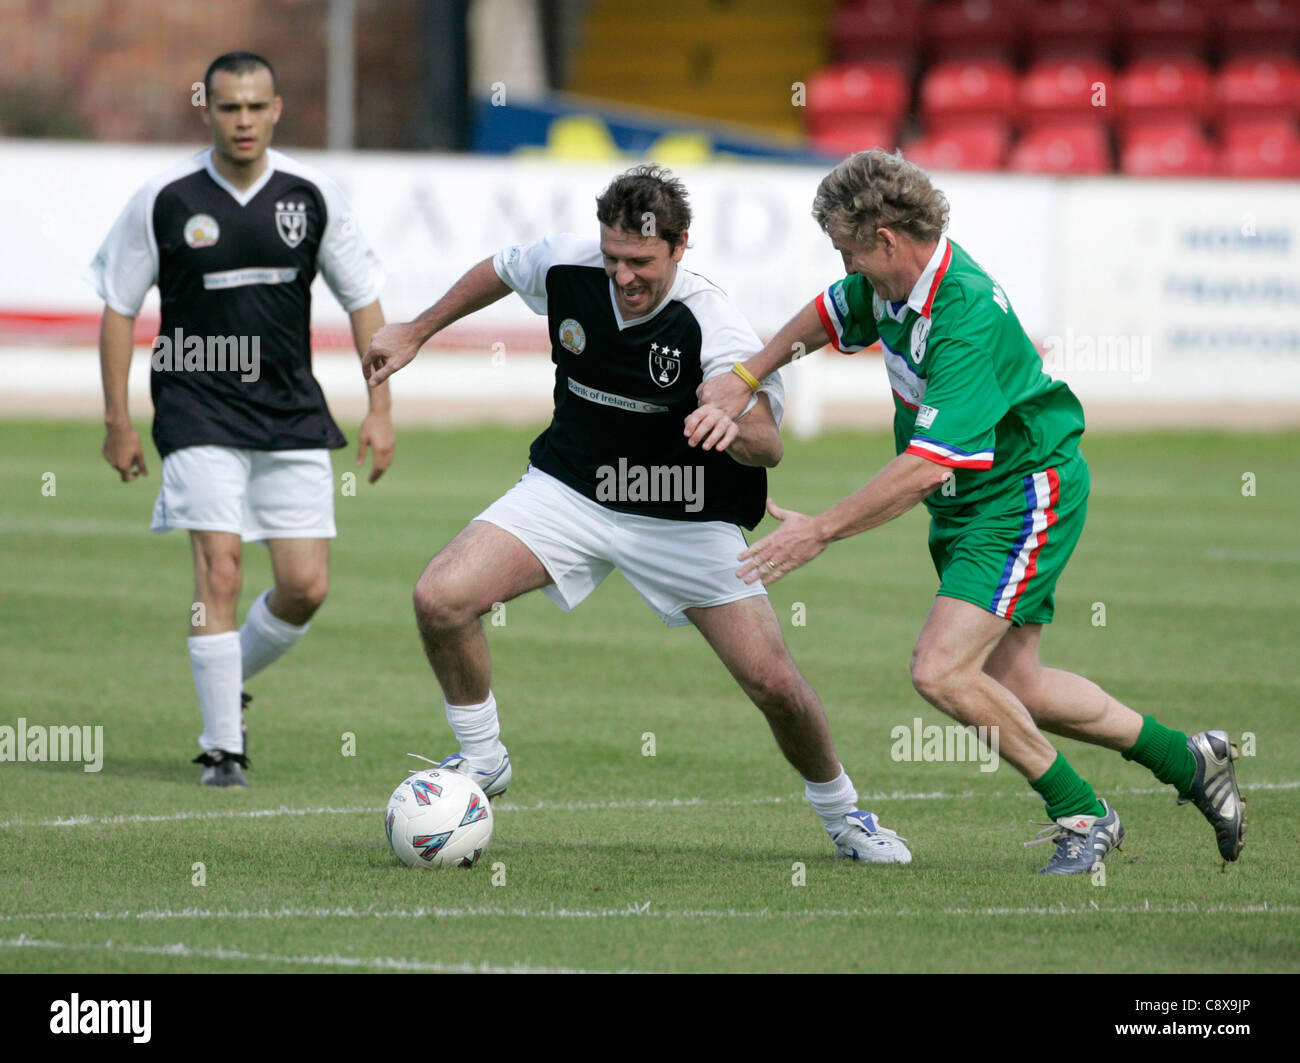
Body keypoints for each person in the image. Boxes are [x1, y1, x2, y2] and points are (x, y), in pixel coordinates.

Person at [698, 149, 1246, 874]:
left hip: (1021, 495)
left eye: (849, 250)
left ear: (887, 240)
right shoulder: (891, 285)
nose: (846, 266)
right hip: (974, 502)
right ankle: (1190, 759)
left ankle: (1082, 811)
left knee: (941, 669)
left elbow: (925, 467)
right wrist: (746, 376)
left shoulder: (963, 313)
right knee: (1017, 686)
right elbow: (828, 314)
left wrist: (820, 531)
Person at [362, 164, 910, 863]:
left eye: (642, 262)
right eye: (614, 257)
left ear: (681, 247)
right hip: (571, 489)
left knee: (774, 682)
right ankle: (483, 755)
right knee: (439, 597)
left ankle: (845, 815)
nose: (623, 276)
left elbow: (768, 444)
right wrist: (417, 329)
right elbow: (499, 269)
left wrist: (729, 424)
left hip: (685, 515)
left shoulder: (713, 322)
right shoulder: (568, 263)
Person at [90, 52, 392, 787]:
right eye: (230, 108)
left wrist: (380, 409)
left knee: (305, 585)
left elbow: (365, 304)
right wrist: (118, 421)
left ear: (278, 108)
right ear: (209, 110)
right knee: (219, 568)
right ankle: (223, 748)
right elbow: (119, 309)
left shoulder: (313, 194)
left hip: (290, 410)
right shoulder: (164, 197)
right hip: (195, 406)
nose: (244, 120)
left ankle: (231, 682)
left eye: (257, 106)